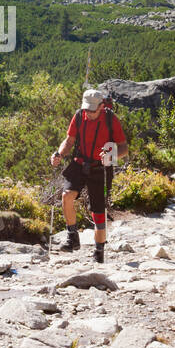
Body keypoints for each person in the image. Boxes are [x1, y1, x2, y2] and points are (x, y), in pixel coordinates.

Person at [50, 88, 128, 263]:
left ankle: (99, 253)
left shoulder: (111, 119)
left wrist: (111, 155)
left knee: (98, 212)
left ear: (101, 106)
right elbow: (69, 141)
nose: (89, 113)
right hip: (79, 162)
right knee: (66, 196)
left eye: (93, 110)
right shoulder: (79, 116)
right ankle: (72, 238)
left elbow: (124, 147)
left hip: (101, 168)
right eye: (87, 109)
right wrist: (59, 154)